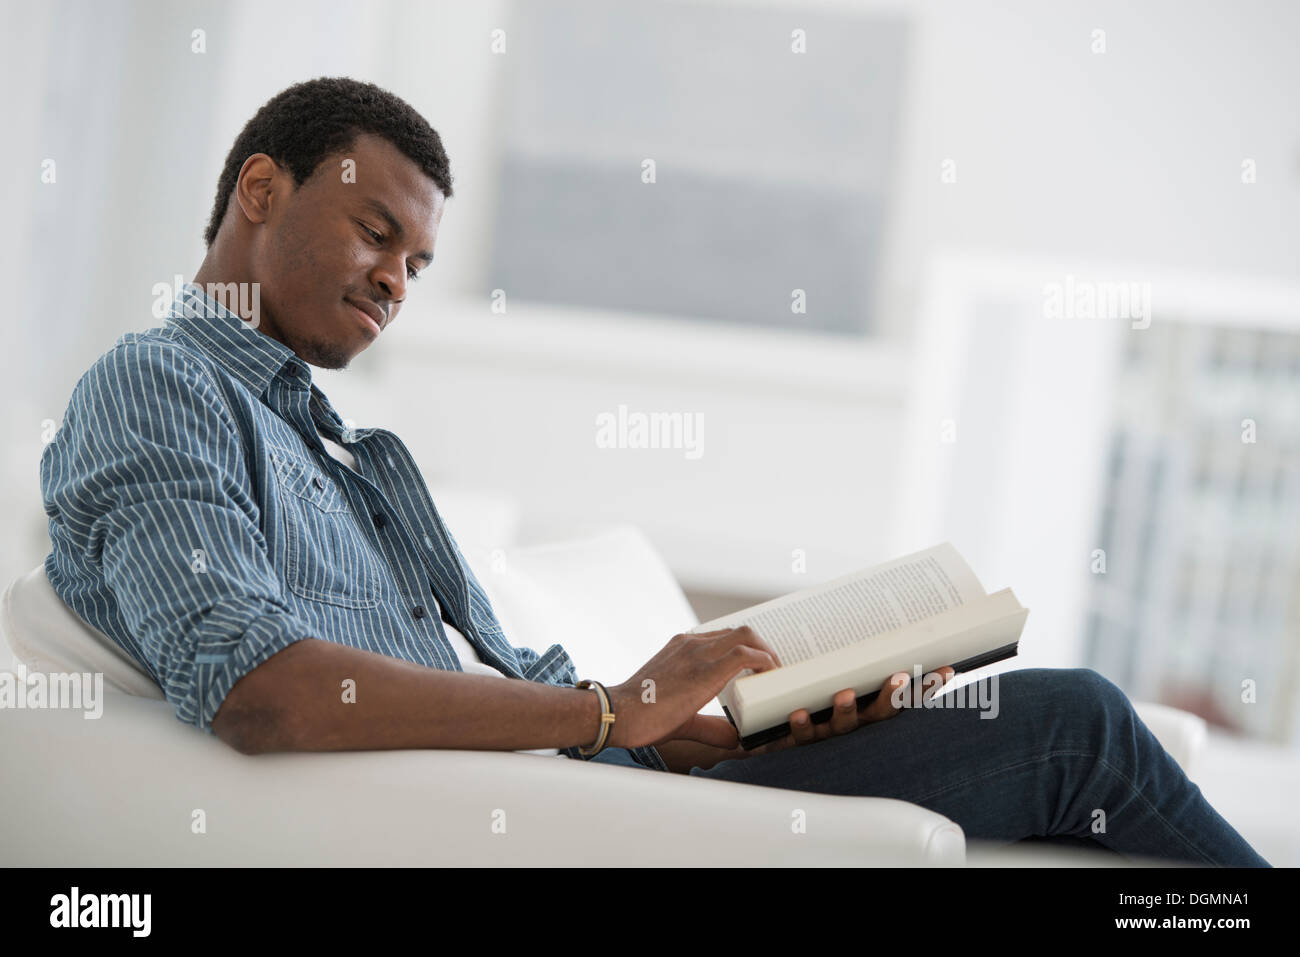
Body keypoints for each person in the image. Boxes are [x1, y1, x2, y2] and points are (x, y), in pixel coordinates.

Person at [40, 78, 1268, 867]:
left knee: (1031, 731)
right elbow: (259, 687)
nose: (395, 283)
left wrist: (733, 729)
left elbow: (509, 688)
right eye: (376, 234)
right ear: (260, 190)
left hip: (607, 769)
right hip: (565, 806)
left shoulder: (346, 446)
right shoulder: (161, 388)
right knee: (1081, 729)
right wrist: (613, 715)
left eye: (417, 262)